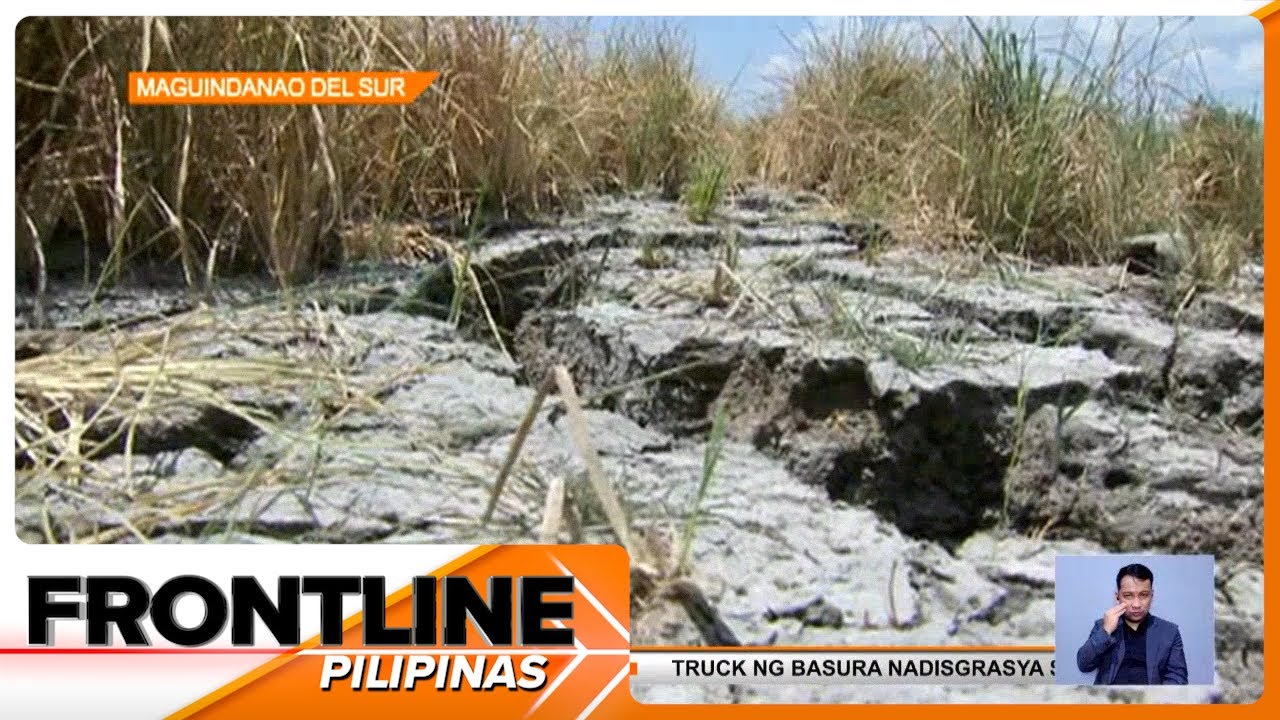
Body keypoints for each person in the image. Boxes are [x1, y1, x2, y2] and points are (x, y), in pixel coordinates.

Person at [1075, 563, 1188, 685]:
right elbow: (1083, 665)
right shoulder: (1103, 625)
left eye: (1144, 595)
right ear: (1117, 597)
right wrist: (1106, 631)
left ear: (1152, 596)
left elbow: (1177, 678)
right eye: (1128, 596)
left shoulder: (1169, 632)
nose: (1136, 604)